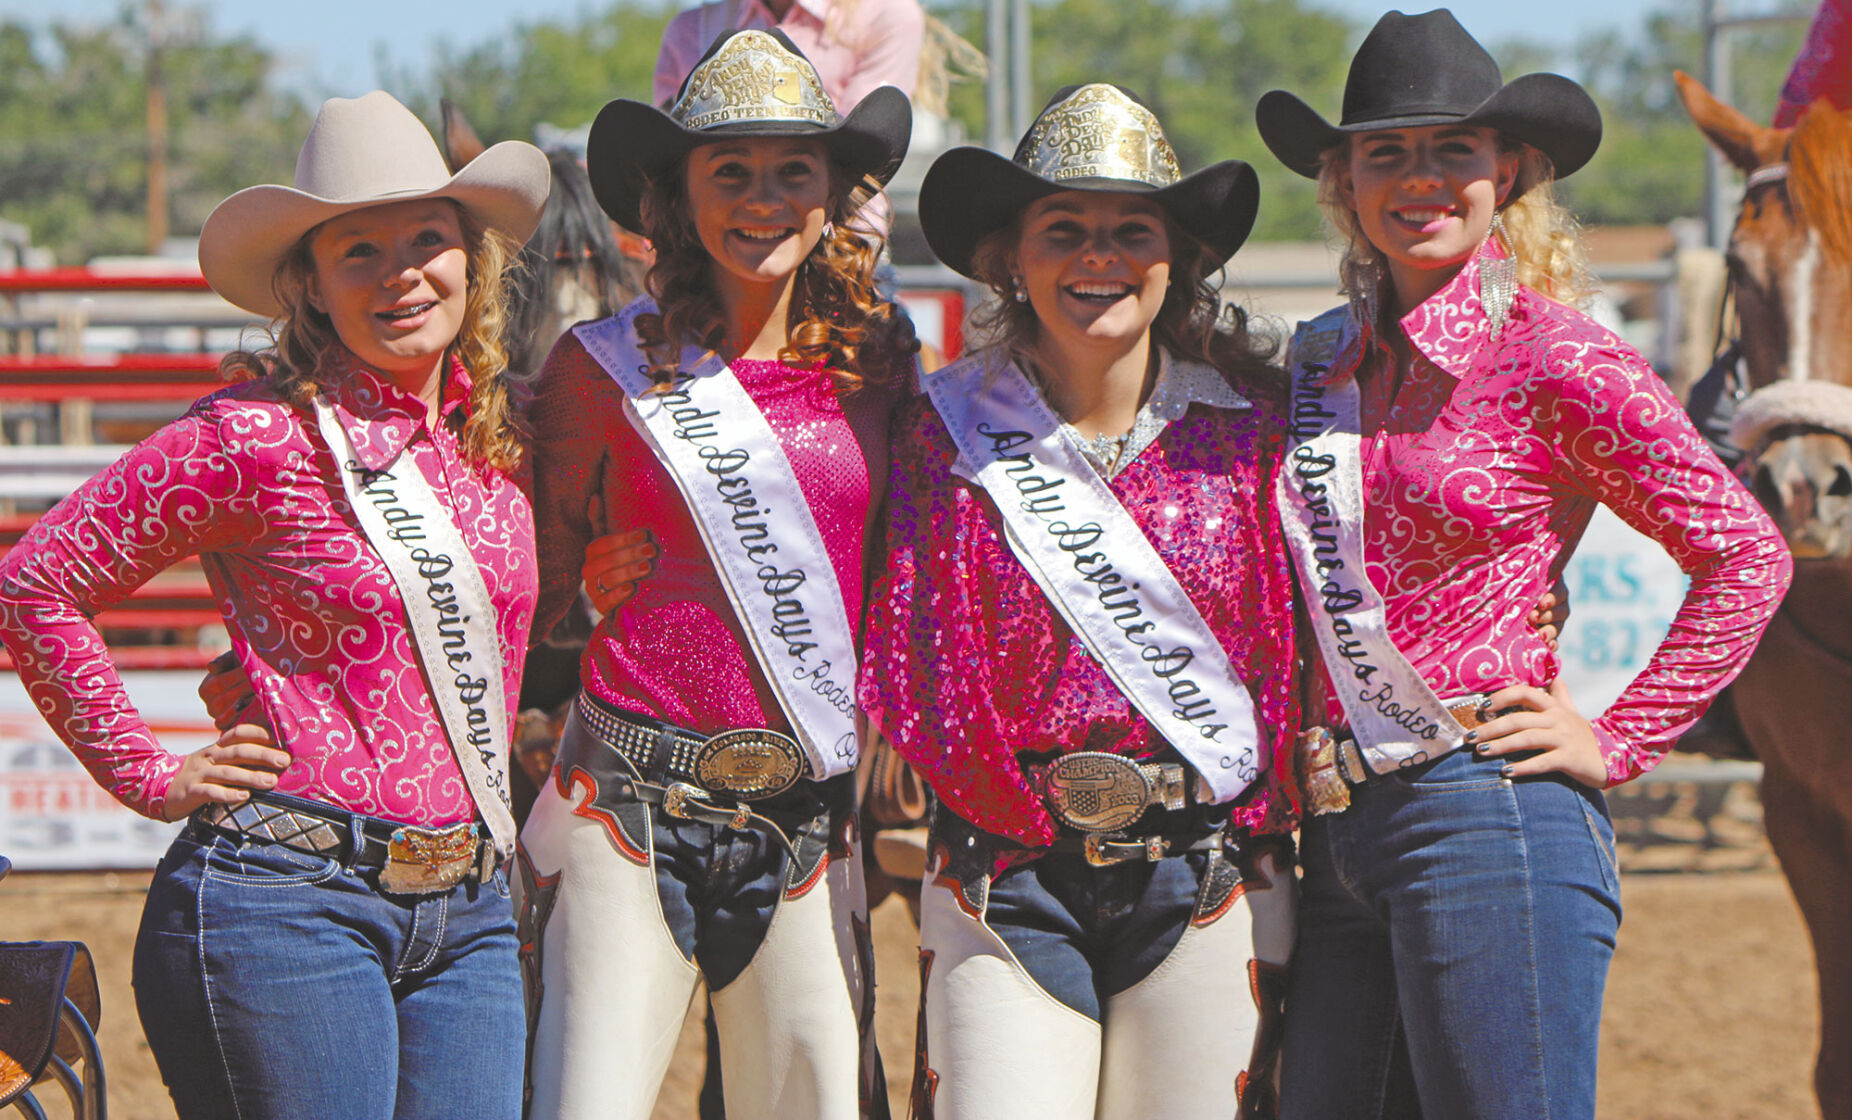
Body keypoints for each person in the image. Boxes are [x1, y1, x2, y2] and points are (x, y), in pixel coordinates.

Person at [1252, 11, 1794, 1118]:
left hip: (1485, 812)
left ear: (1510, 171)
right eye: (1385, 151)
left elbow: (1745, 553)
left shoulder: (1558, 356)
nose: (1419, 178)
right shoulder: (1315, 360)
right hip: (1335, 831)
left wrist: (1621, 734)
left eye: (1453, 149)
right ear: (1341, 178)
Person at [0, 91, 549, 1119]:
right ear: (309, 281)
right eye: (358, 250)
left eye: (426, 240)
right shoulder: (256, 439)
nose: (400, 274)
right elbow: (36, 580)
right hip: (285, 899)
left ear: (471, 258)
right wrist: (147, 771)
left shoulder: (504, 438)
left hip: (471, 911)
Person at [858, 83, 1298, 1120]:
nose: (1097, 255)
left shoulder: (1252, 433)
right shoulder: (942, 428)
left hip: (1204, 866)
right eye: (1064, 230)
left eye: (1128, 231)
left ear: (1175, 259)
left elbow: (1302, 635)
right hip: (1007, 869)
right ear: (1014, 256)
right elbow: (912, 629)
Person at [515, 29, 916, 1120]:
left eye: (793, 168)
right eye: (728, 170)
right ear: (678, 198)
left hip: (805, 812)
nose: (762, 196)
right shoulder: (593, 369)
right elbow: (527, 593)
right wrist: (586, 598)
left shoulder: (883, 365)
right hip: (624, 805)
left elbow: (909, 573)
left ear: (834, 194)